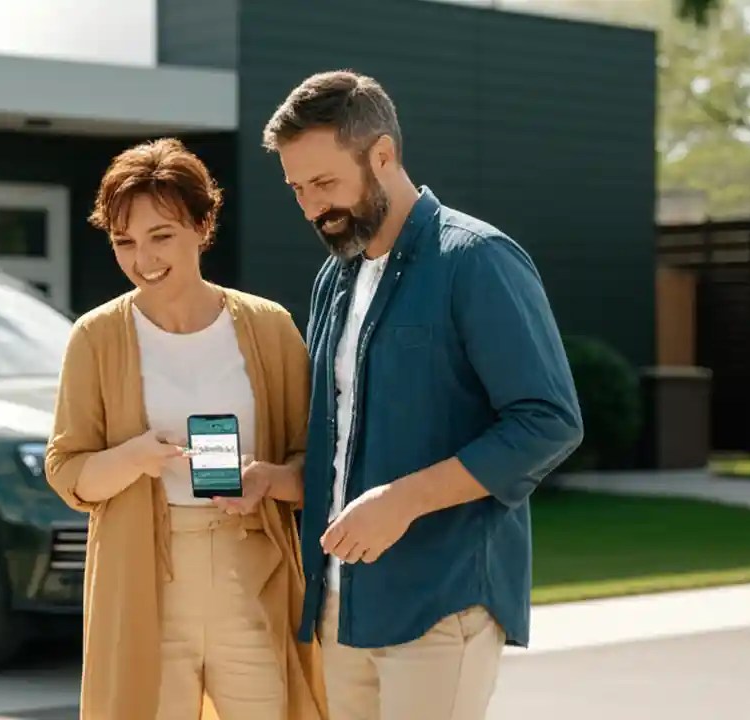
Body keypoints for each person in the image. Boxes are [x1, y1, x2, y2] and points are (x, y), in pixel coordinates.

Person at [261, 70, 584, 720]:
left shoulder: (477, 259)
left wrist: (403, 501)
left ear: (382, 154)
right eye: (297, 188)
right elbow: (346, 438)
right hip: (339, 604)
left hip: (442, 601)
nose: (311, 207)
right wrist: (280, 479)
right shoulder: (333, 279)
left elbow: (548, 421)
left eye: (324, 183)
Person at [44, 137, 326, 720]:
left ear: (202, 225)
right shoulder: (96, 337)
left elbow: (317, 468)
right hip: (142, 579)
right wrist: (135, 457)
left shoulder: (269, 328)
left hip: (250, 571)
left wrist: (265, 480)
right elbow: (68, 474)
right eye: (124, 241)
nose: (142, 258)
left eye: (161, 235)